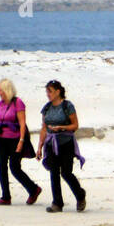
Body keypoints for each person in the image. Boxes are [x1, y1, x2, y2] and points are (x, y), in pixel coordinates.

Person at [0, 79, 40, 206]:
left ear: (6, 90)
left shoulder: (18, 103)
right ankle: (5, 196)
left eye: (0, 90)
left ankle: (33, 189)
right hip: (1, 139)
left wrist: (21, 141)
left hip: (15, 139)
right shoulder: (1, 104)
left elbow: (22, 124)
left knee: (14, 168)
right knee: (1, 167)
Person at [39, 79, 87, 213]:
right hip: (50, 143)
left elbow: (75, 125)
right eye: (47, 91)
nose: (48, 94)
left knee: (66, 172)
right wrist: (39, 146)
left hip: (66, 143)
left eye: (50, 91)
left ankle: (80, 195)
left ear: (58, 92)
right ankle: (57, 203)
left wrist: (62, 127)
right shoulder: (47, 108)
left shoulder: (67, 106)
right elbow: (43, 128)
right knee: (53, 173)